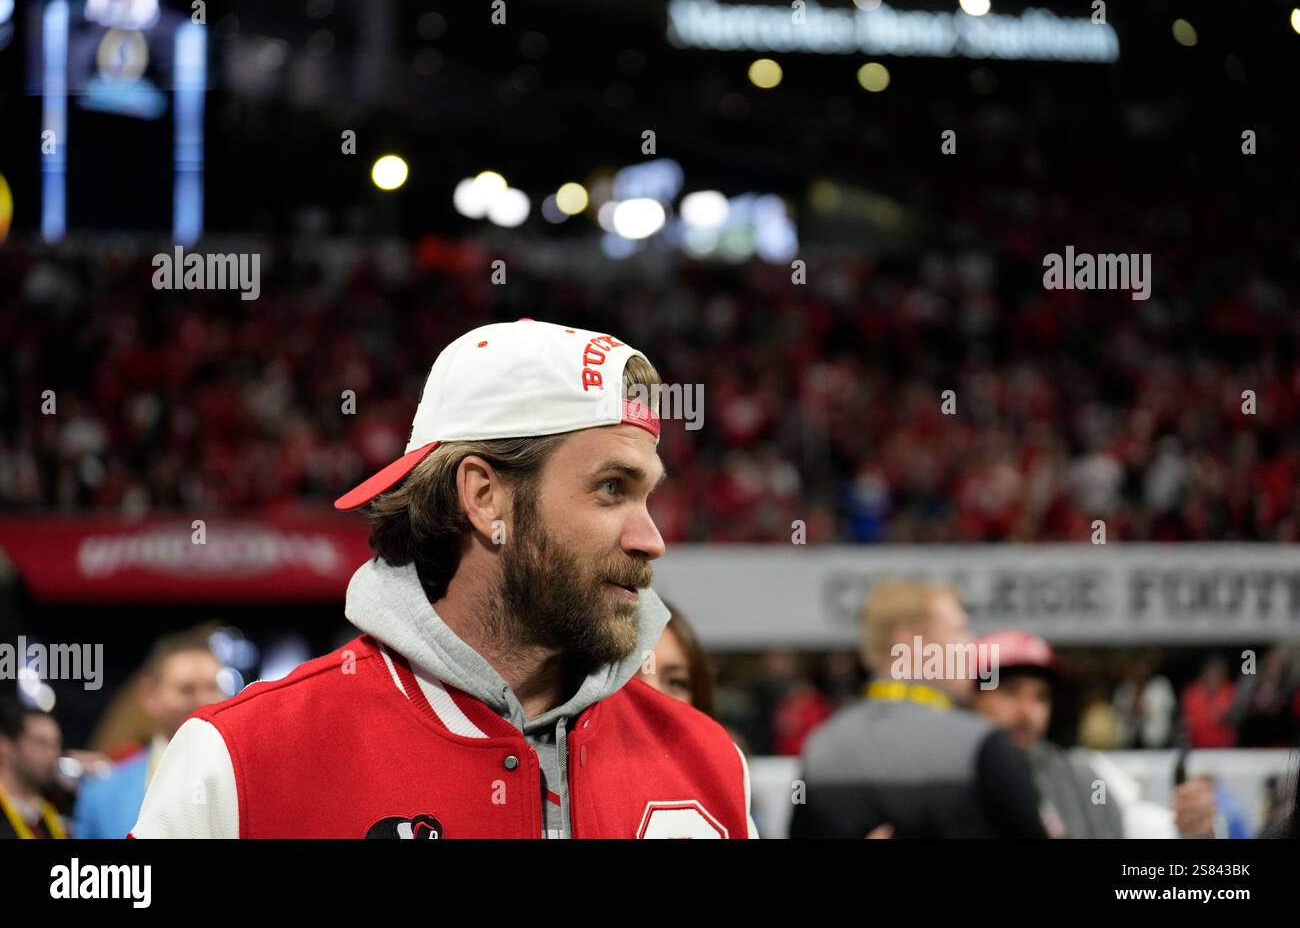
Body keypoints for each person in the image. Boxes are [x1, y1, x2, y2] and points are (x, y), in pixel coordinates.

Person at [131, 319, 757, 838]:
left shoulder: (708, 761)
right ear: (485, 498)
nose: (652, 539)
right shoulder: (238, 762)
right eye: (611, 488)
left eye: (647, 495)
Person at [788, 581, 1046, 838]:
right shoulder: (981, 745)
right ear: (910, 642)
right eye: (960, 631)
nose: (973, 645)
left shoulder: (821, 747)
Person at [970, 629, 1216, 838]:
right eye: (1010, 691)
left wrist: (1193, 830)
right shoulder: (948, 777)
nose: (1027, 712)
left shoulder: (1086, 777)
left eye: (1041, 697)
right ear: (972, 696)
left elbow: (1148, 832)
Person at [73, 628, 225, 838]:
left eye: (212, 688)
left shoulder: (246, 779)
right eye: (186, 689)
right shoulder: (102, 795)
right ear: (149, 694)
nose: (203, 701)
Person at [0, 696, 68, 839]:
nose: (52, 754)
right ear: (5, 746)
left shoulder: (50, 815)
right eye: (40, 743)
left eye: (55, 744)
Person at [1181, 655, 1236, 749]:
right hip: (1197, 749)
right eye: (1213, 671)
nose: (1215, 675)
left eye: (1220, 672)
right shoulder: (1192, 692)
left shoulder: (1231, 691)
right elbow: (1186, 721)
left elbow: (1235, 718)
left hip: (1225, 750)